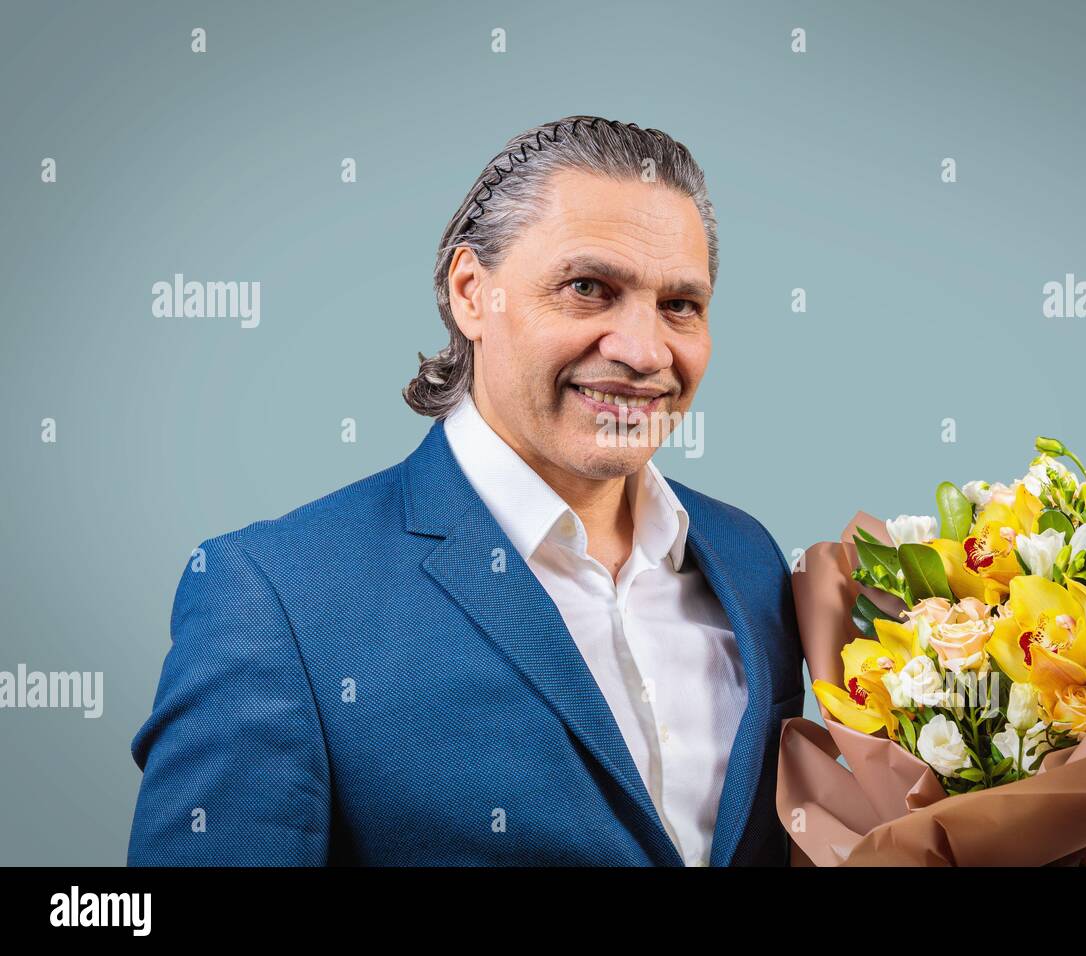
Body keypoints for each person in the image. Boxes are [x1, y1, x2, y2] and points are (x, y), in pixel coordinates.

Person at [127, 116, 804, 866]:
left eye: (680, 305)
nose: (644, 351)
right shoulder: (273, 597)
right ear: (472, 293)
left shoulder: (750, 560)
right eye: (588, 288)